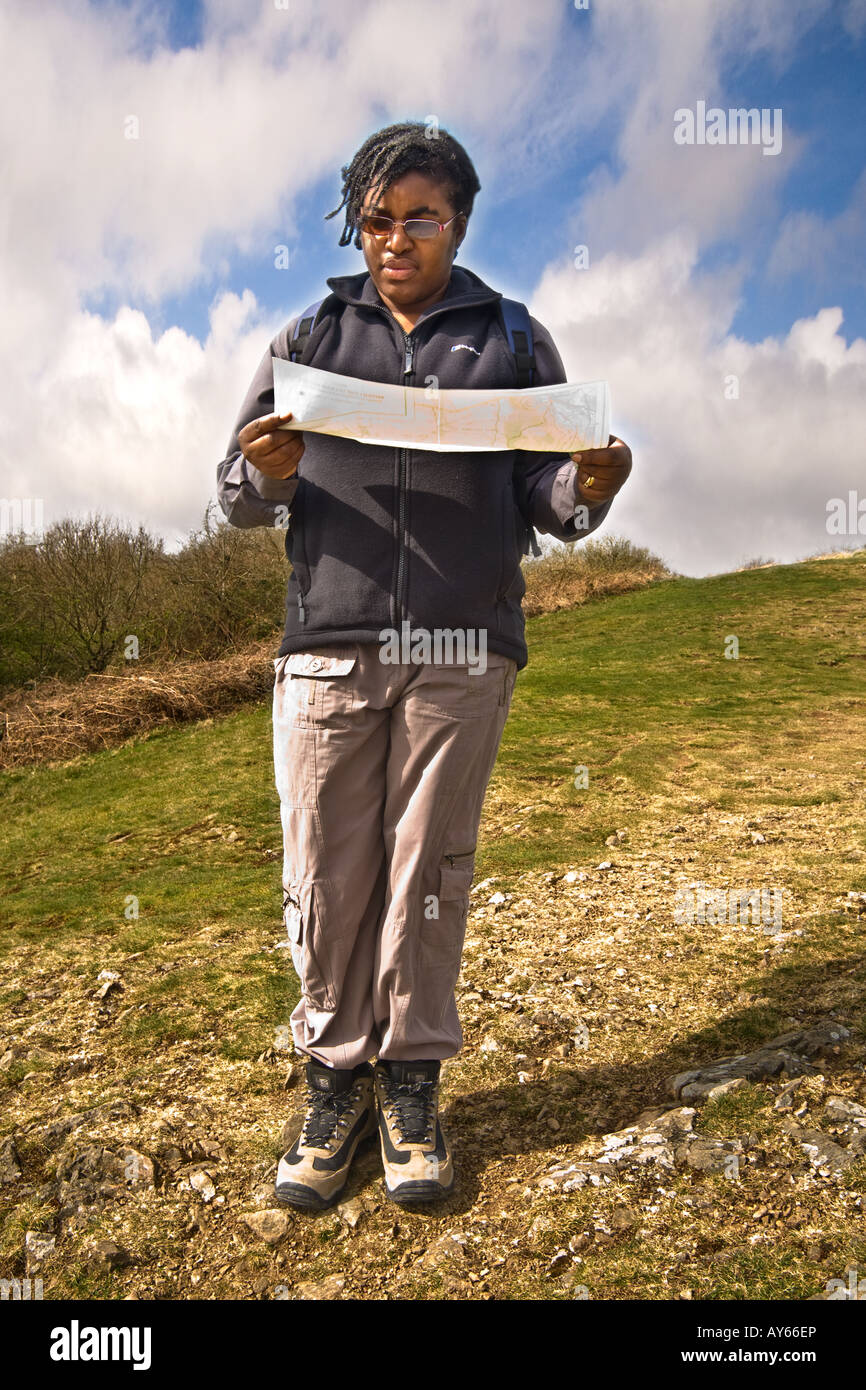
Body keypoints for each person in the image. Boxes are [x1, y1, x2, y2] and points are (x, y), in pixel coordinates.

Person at [217, 121, 632, 1211]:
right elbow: (230, 493)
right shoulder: (307, 333)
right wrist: (265, 474)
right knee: (324, 873)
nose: (392, 238)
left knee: (427, 874)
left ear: (458, 222)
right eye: (373, 218)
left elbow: (542, 495)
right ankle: (332, 1079)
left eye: (417, 218)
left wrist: (587, 488)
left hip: (462, 651)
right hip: (327, 649)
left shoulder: (510, 336)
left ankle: (409, 1084)